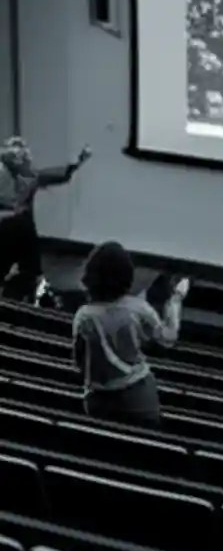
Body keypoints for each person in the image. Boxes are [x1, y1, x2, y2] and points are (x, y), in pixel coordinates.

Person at [72, 241, 190, 428]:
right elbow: (168, 339)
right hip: (138, 398)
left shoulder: (83, 316)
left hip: (98, 400)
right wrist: (175, 300)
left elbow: (79, 362)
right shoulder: (138, 309)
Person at [0, 137, 92, 303]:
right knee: (25, 265)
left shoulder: (27, 177)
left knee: (26, 266)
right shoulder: (18, 176)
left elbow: (56, 175)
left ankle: (20, 296)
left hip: (19, 230)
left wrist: (76, 165)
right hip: (14, 229)